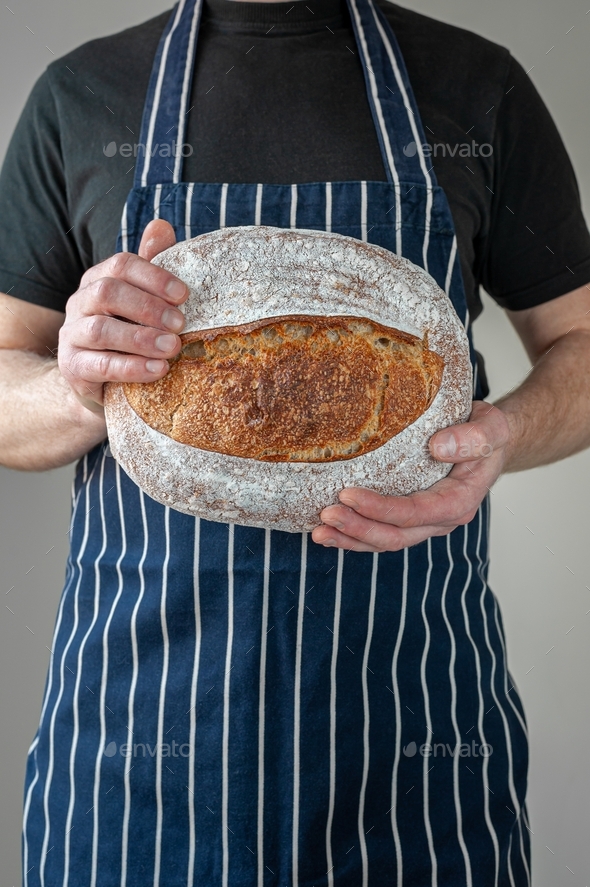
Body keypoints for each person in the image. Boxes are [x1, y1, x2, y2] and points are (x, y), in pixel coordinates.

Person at [1, 0, 590, 883]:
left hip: (409, 733)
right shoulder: (82, 94)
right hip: (142, 734)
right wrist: (82, 390)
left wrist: (500, 433)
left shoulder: (477, 86)